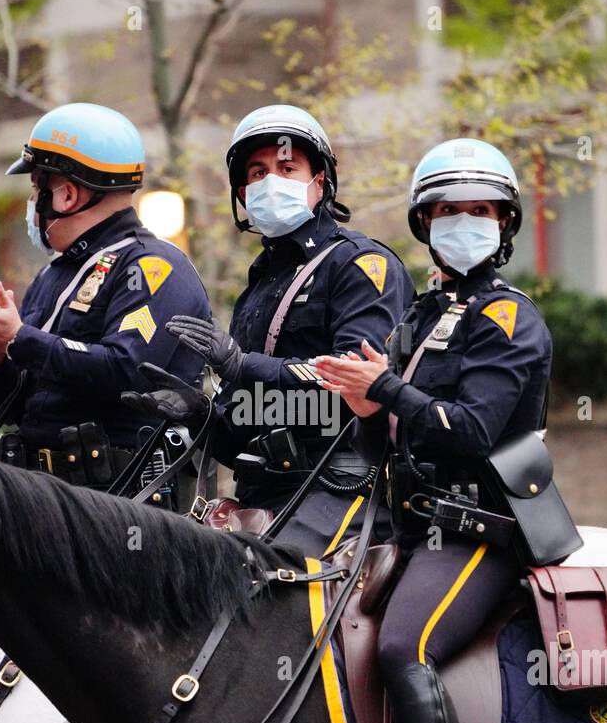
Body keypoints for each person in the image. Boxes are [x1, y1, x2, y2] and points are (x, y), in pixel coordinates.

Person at [314, 138, 551, 723]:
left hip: (484, 529)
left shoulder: (510, 320)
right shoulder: (420, 316)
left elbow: (472, 429)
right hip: (406, 528)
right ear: (424, 222)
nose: (464, 222)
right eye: (448, 210)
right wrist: (365, 412)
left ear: (505, 223)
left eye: (480, 210)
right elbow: (392, 436)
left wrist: (384, 387)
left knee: (403, 648)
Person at [137, 105, 413, 555]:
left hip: (341, 488)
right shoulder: (260, 285)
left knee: (260, 587)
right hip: (260, 494)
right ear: (243, 192)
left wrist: (244, 365)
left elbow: (353, 381)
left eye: (287, 168)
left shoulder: (361, 265)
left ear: (319, 181)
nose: (270, 182)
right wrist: (203, 416)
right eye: (258, 172)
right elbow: (250, 419)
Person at [0, 102, 210, 498]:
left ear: (67, 194)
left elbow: (127, 371)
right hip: (42, 502)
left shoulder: (154, 267)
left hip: (127, 510)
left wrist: (19, 339)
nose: (33, 201)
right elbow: (20, 410)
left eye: (38, 186)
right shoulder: (50, 277)